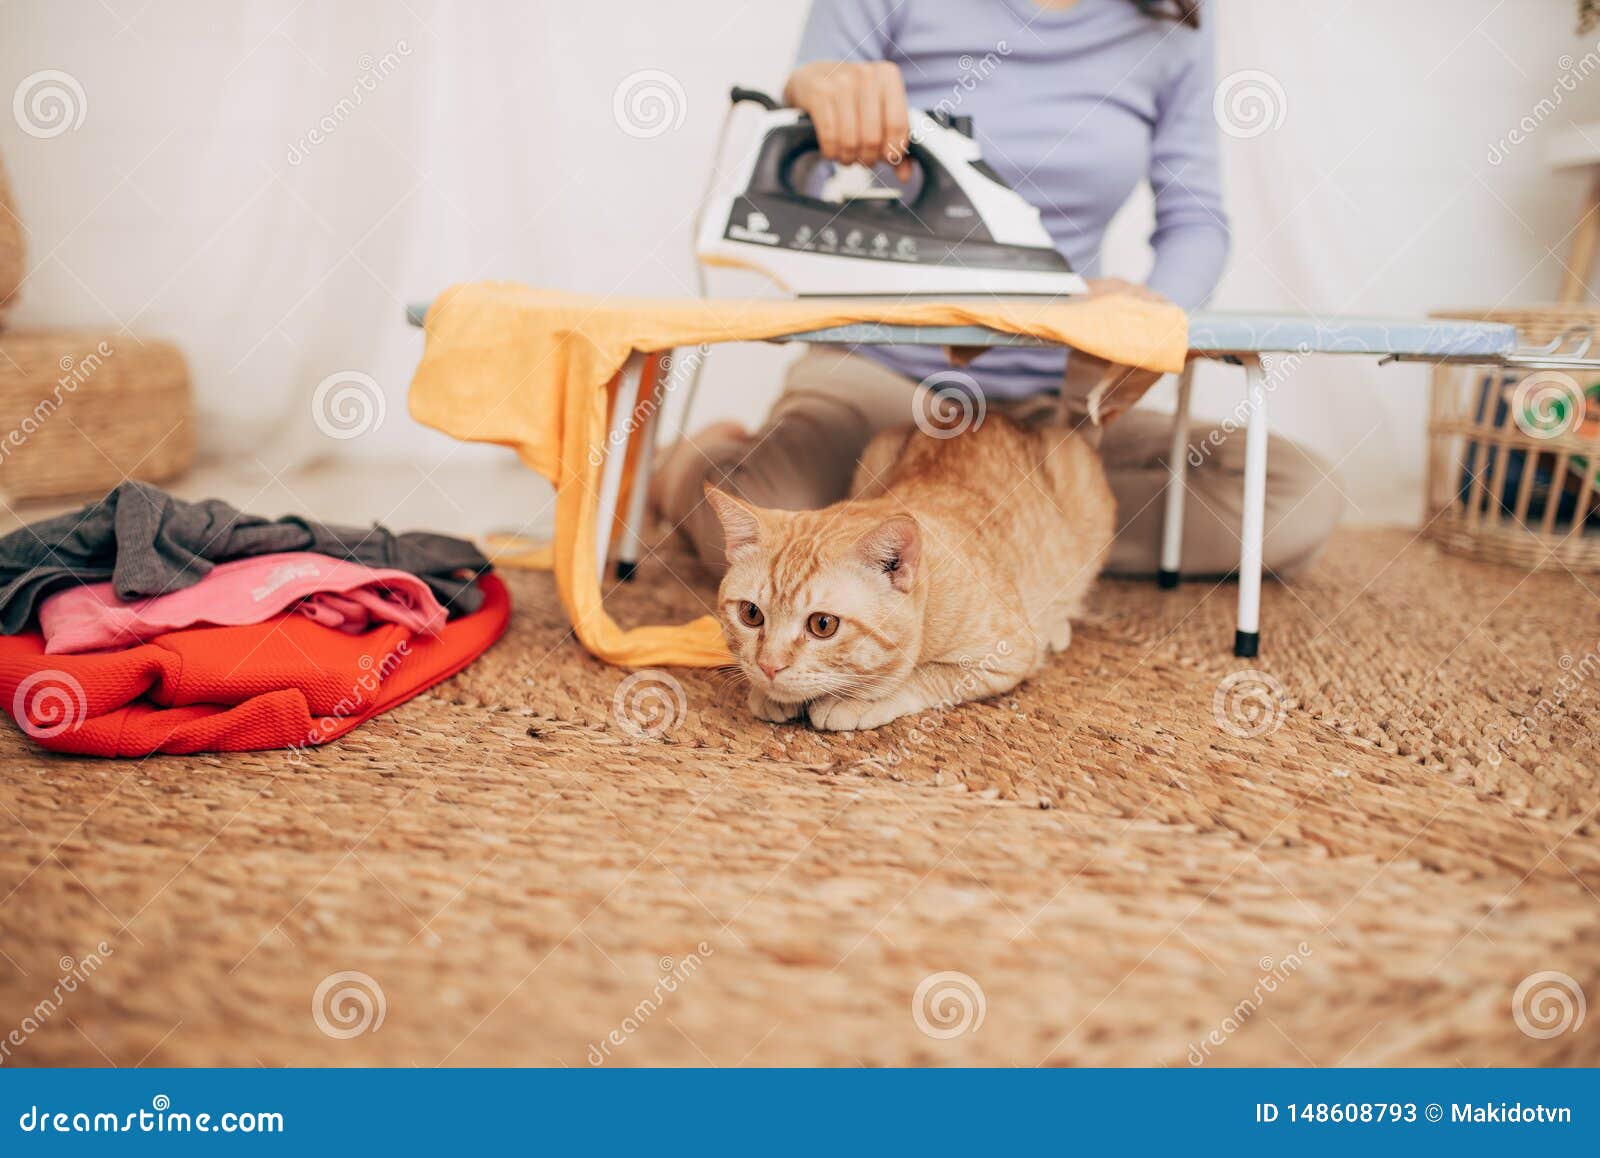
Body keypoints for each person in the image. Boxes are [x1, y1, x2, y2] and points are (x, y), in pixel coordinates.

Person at [656, 0, 1342, 578]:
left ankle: (972, 544)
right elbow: (793, 189)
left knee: (1292, 498)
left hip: (1062, 407)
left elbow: (1196, 221)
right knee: (757, 549)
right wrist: (813, 102)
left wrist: (1145, 321)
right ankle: (689, 464)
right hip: (884, 378)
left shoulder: (1169, 19)